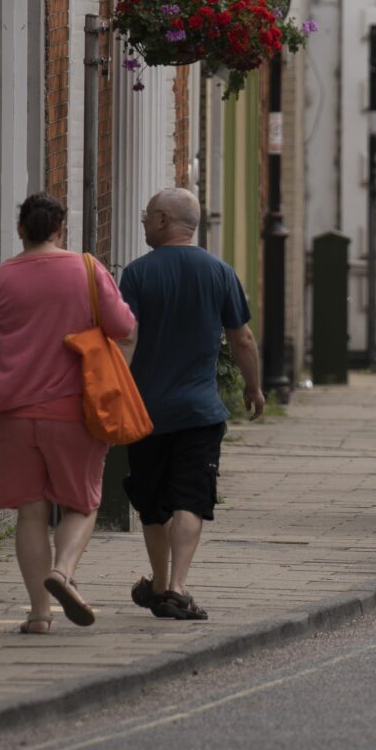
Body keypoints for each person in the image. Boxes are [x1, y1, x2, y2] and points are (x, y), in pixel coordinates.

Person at [0, 192, 134, 636]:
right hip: (73, 411)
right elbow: (124, 327)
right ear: (60, 229)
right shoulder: (88, 271)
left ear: (21, 230)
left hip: (14, 416)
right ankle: (64, 570)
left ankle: (39, 614)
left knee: (30, 513)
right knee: (82, 502)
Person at [116, 187, 263, 622]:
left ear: (164, 220)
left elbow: (128, 337)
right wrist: (253, 389)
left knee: (151, 502)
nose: (143, 221)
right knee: (191, 500)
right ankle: (176, 586)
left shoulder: (138, 275)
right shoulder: (219, 271)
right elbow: (243, 338)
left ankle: (161, 585)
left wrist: (112, 391)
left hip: (145, 410)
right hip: (200, 412)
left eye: (147, 215)